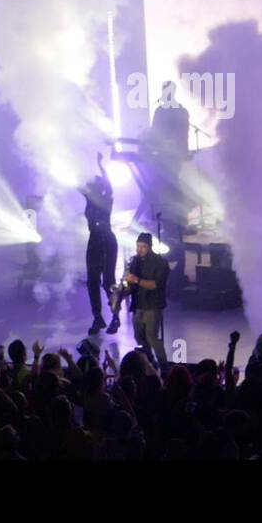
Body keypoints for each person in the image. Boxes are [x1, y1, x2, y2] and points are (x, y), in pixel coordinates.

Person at [111, 232, 169, 368]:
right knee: (139, 337)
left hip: (153, 305)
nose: (139, 250)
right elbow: (130, 285)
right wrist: (120, 293)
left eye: (143, 246)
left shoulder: (160, 263)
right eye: (138, 246)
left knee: (152, 337)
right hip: (138, 304)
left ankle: (164, 366)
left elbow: (155, 284)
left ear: (150, 246)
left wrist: (136, 280)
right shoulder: (134, 261)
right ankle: (150, 361)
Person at [82, 152, 117, 335]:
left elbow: (109, 187)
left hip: (106, 241)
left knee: (108, 282)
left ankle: (115, 317)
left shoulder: (106, 199)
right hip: (94, 241)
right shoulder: (89, 200)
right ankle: (97, 317)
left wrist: (100, 165)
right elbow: (78, 184)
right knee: (91, 283)